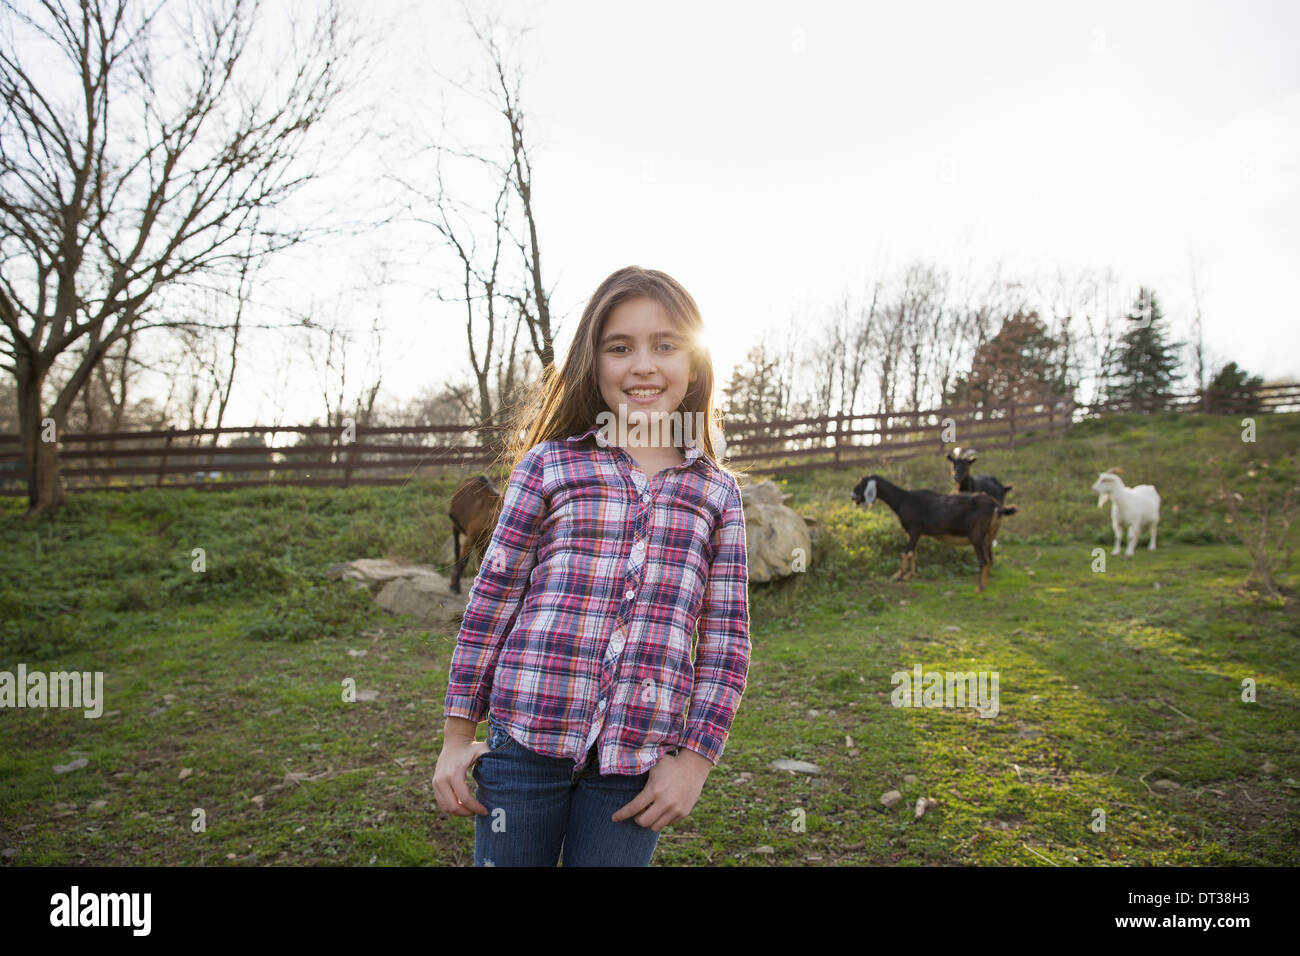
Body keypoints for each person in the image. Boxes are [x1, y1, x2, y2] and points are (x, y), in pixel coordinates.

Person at [431, 265, 751, 866]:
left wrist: (695, 764)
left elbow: (727, 643)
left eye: (666, 346)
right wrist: (457, 737)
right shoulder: (549, 467)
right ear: (592, 360)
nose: (643, 365)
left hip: (635, 768)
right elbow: (492, 602)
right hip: (523, 744)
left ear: (696, 362)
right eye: (620, 347)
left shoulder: (716, 494)